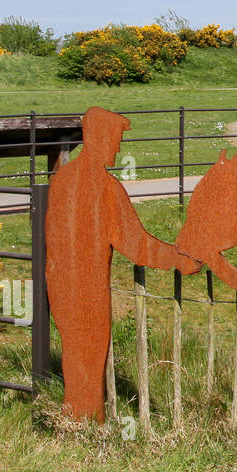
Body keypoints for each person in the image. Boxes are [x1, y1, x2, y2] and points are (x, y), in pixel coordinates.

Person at [46, 106, 202, 422]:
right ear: (100, 138)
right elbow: (137, 245)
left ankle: (76, 422)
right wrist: (178, 259)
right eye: (115, 139)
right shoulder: (106, 188)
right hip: (87, 291)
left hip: (61, 287)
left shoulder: (63, 179)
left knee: (77, 359)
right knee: (88, 359)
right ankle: (85, 426)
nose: (117, 148)